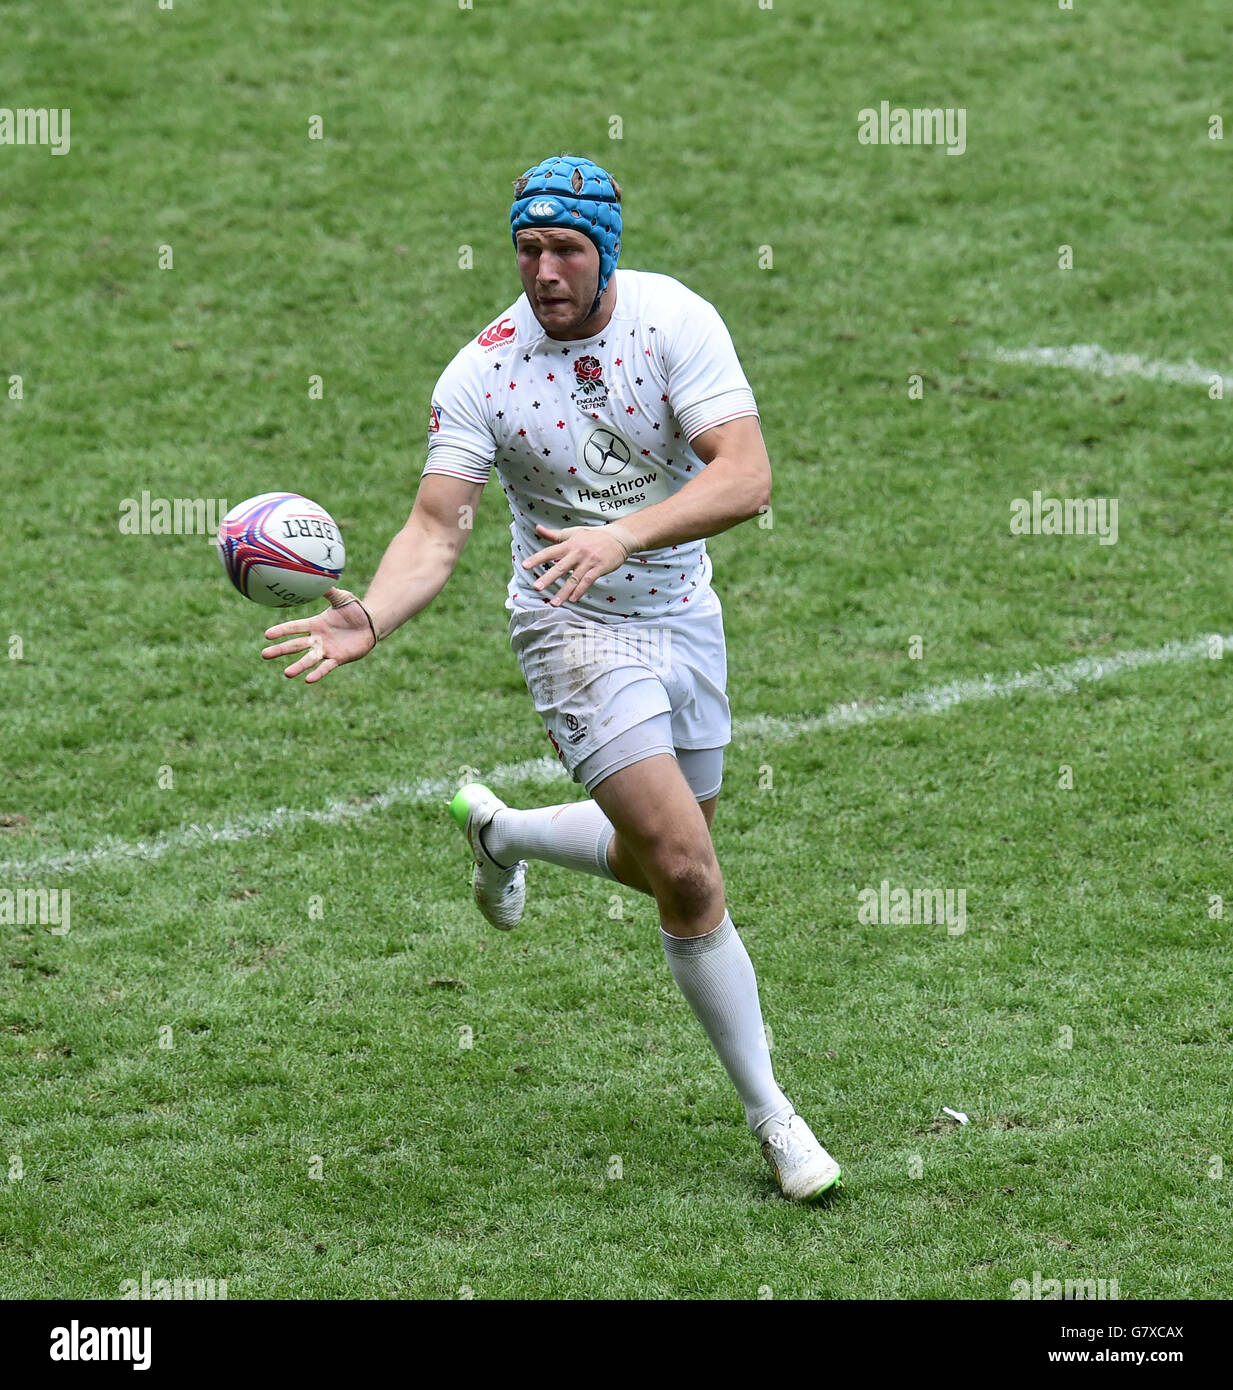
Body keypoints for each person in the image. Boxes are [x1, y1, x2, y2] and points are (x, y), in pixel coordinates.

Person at [261, 154, 842, 1201]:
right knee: (692, 874)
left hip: (682, 614)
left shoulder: (673, 323)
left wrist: (623, 535)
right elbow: (437, 529)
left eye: (566, 249)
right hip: (571, 630)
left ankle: (506, 831)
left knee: (664, 858)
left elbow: (746, 476)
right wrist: (369, 616)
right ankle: (776, 1118)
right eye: (527, 249)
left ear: (605, 250)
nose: (543, 271)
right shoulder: (481, 373)